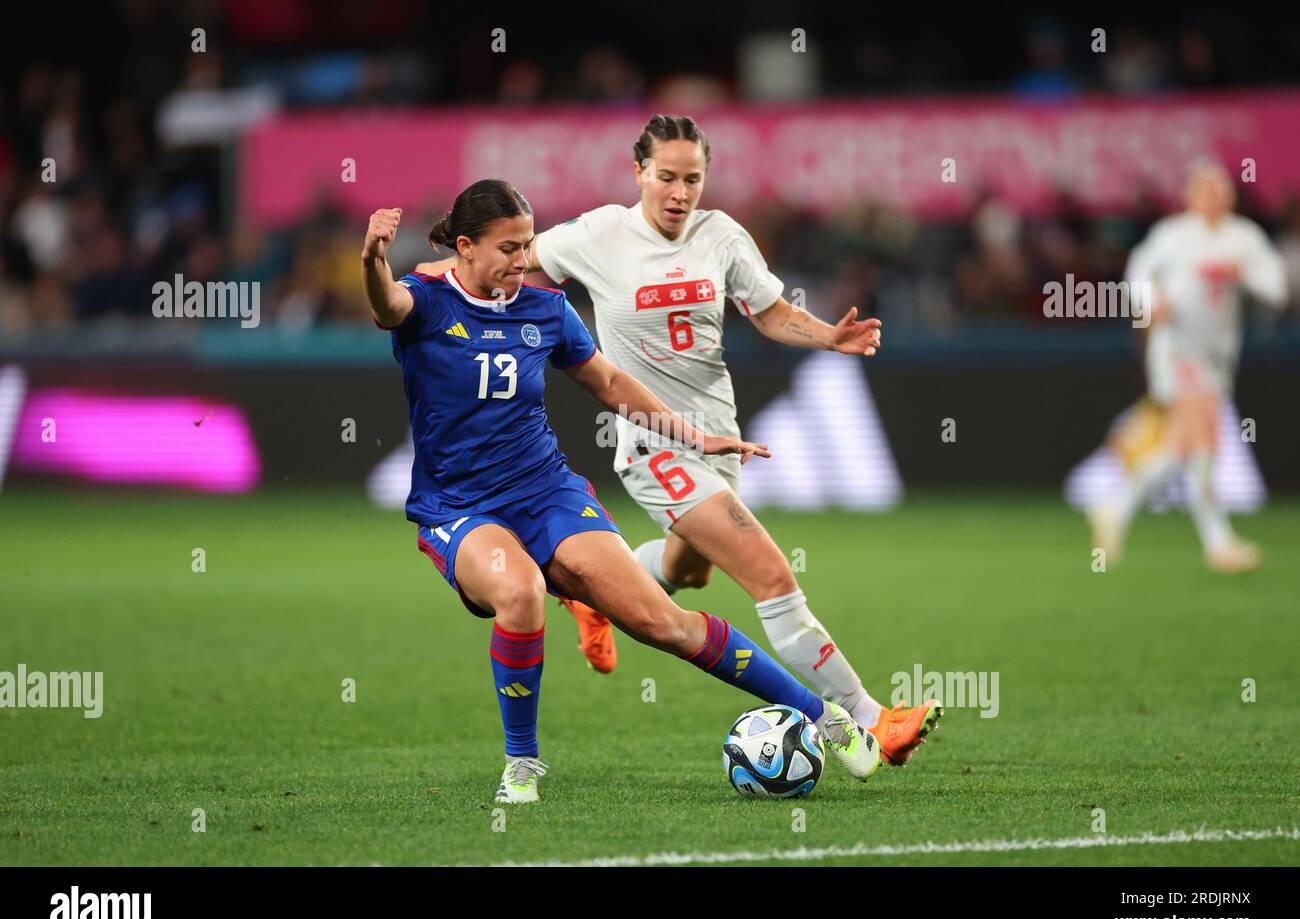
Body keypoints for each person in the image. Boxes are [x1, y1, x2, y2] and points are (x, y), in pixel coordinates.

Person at [418, 116, 940, 767]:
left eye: (692, 178)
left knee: (690, 570)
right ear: (639, 172)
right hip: (654, 442)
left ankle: (587, 592)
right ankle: (869, 720)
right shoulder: (597, 234)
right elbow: (498, 261)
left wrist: (828, 336)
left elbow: (770, 312)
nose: (679, 191)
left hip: (716, 434)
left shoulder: (721, 236)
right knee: (771, 574)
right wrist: (428, 278)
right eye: (666, 176)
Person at [362, 179, 882, 803]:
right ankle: (522, 763)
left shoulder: (546, 310)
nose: (523, 261)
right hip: (460, 506)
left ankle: (828, 718)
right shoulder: (426, 301)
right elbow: (387, 304)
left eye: (527, 246)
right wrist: (371, 260)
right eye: (508, 248)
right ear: (466, 247)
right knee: (521, 593)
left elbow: (609, 383)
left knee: (664, 623)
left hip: (546, 492)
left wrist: (695, 437)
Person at [1089, 161, 1288, 571]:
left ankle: (1115, 506)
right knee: (1205, 441)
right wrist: (1150, 303)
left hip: (1217, 354)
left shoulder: (1244, 238)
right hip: (1177, 348)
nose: (1212, 197)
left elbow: (1277, 289)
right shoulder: (1173, 235)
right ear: (1190, 196)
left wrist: (1243, 273)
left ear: (1230, 195)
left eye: (1219, 189)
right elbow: (1137, 272)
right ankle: (1219, 543)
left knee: (1183, 449)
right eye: (1204, 189)